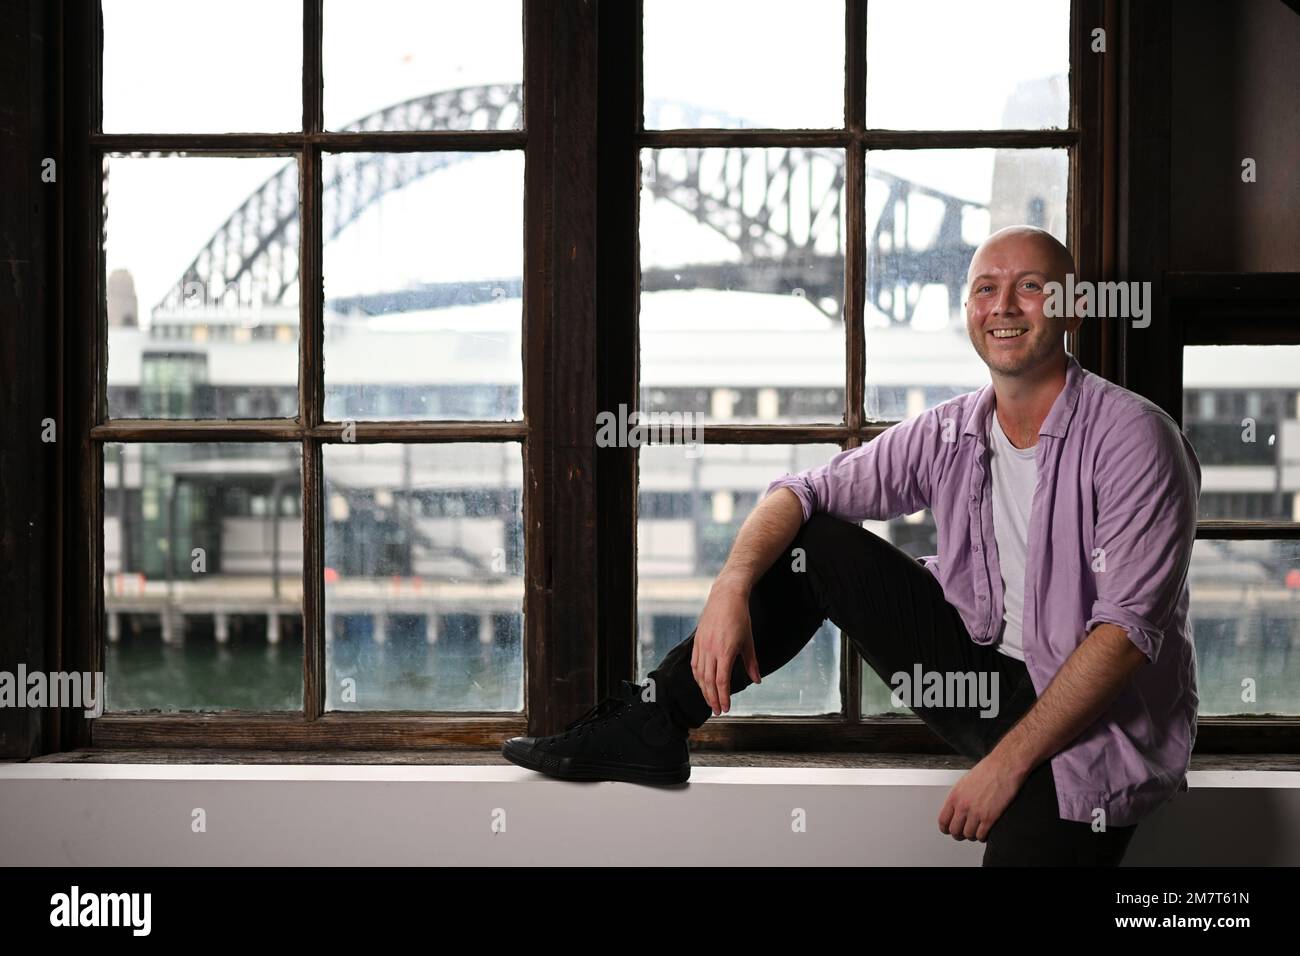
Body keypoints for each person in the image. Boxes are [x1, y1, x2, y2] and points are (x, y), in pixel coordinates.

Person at [502, 225, 1202, 867]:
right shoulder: (951, 429)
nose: (1004, 306)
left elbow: (1123, 637)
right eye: (986, 288)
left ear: (1073, 309)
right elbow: (803, 490)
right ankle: (655, 721)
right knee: (816, 543)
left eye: (1030, 287)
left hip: (1091, 718)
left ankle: (1025, 768)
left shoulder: (1135, 439)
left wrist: (1005, 764)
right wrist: (731, 584)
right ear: (969, 310)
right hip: (981, 679)